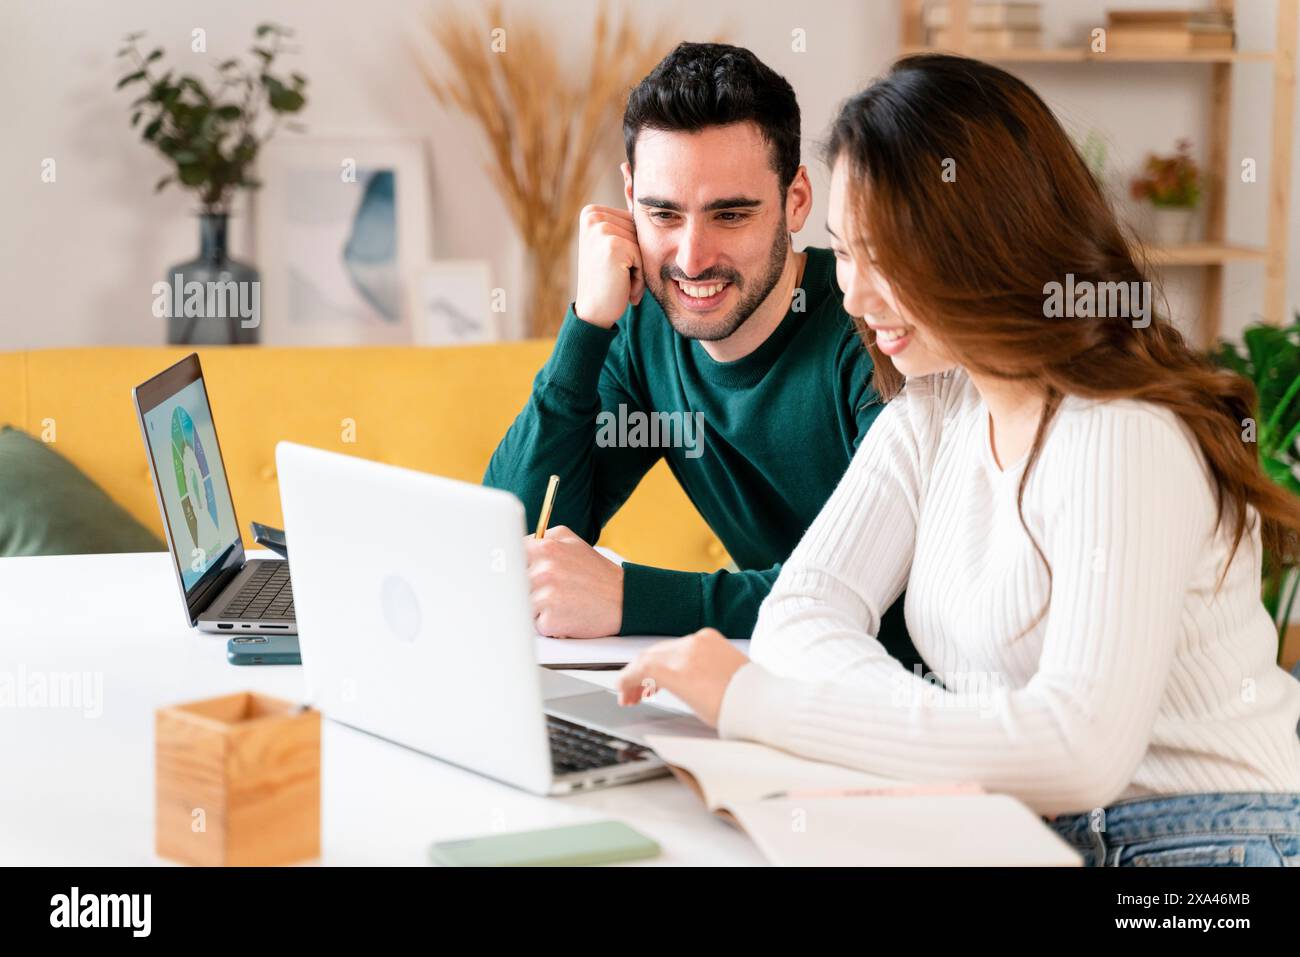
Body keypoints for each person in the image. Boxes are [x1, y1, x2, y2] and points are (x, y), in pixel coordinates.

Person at [616, 54, 1300, 867]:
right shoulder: (938, 408)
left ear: (986, 245)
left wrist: (758, 702)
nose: (858, 297)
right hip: (1017, 829)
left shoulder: (1122, 431)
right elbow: (798, 615)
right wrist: (934, 734)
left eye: (885, 258)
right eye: (845, 253)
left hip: (1208, 848)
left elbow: (1078, 749)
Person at [485, 42, 916, 668]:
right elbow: (514, 543)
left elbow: (884, 597)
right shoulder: (641, 331)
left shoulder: (874, 332)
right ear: (628, 196)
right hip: (775, 677)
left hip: (891, 697)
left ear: (797, 200)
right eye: (662, 213)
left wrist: (632, 598)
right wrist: (586, 325)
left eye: (730, 215)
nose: (691, 259)